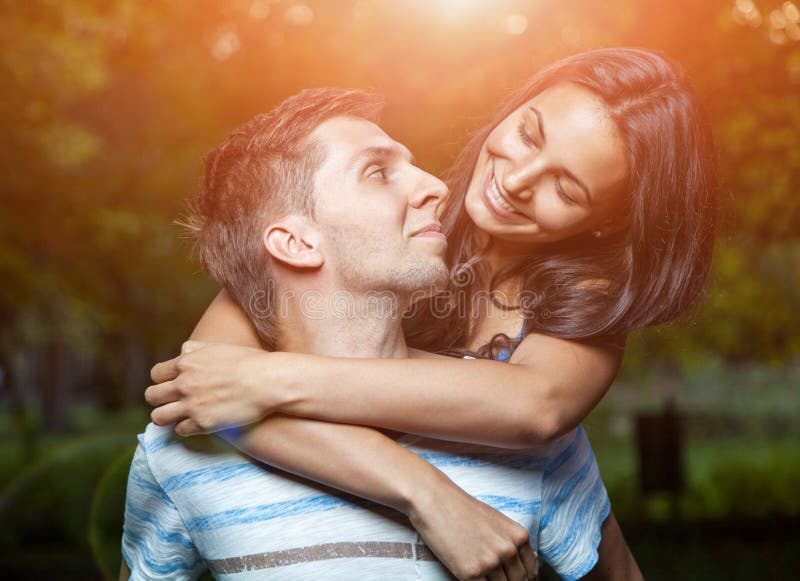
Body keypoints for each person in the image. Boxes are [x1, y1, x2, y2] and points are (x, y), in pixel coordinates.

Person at [149, 46, 716, 578]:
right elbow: (209, 384)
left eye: (565, 188)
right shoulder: (396, 220)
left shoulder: (582, 303)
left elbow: (536, 409)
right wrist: (430, 496)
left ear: (609, 221)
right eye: (527, 132)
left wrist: (270, 380)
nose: (515, 179)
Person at [122, 87, 549, 580]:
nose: (437, 185)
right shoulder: (178, 453)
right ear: (296, 242)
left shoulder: (520, 437)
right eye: (377, 172)